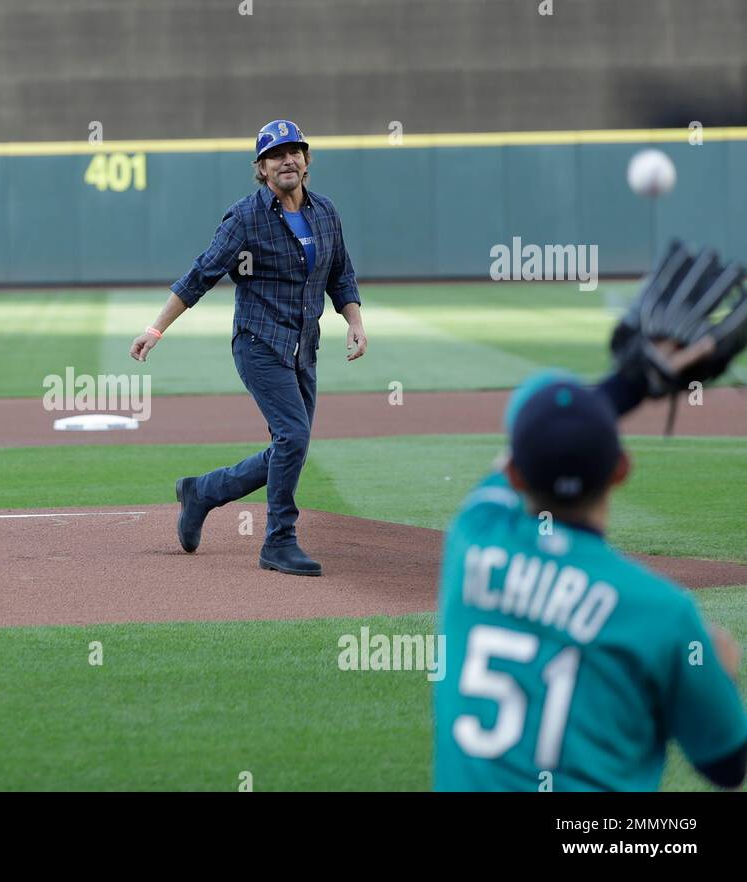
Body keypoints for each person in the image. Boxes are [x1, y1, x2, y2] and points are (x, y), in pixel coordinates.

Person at [433, 245, 747, 789]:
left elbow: (519, 441)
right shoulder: (664, 614)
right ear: (622, 469)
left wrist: (626, 381)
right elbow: (727, 763)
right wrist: (718, 675)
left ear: (515, 477)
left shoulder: (473, 539)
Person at [130, 119, 367, 576]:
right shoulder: (246, 217)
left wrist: (354, 321)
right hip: (259, 343)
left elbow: (341, 274)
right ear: (261, 168)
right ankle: (279, 541)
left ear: (307, 159)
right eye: (276, 154)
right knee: (294, 438)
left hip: (304, 345)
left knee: (288, 446)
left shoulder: (325, 213)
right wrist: (155, 329)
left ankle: (203, 492)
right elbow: (201, 274)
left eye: (294, 151)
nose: (287, 160)